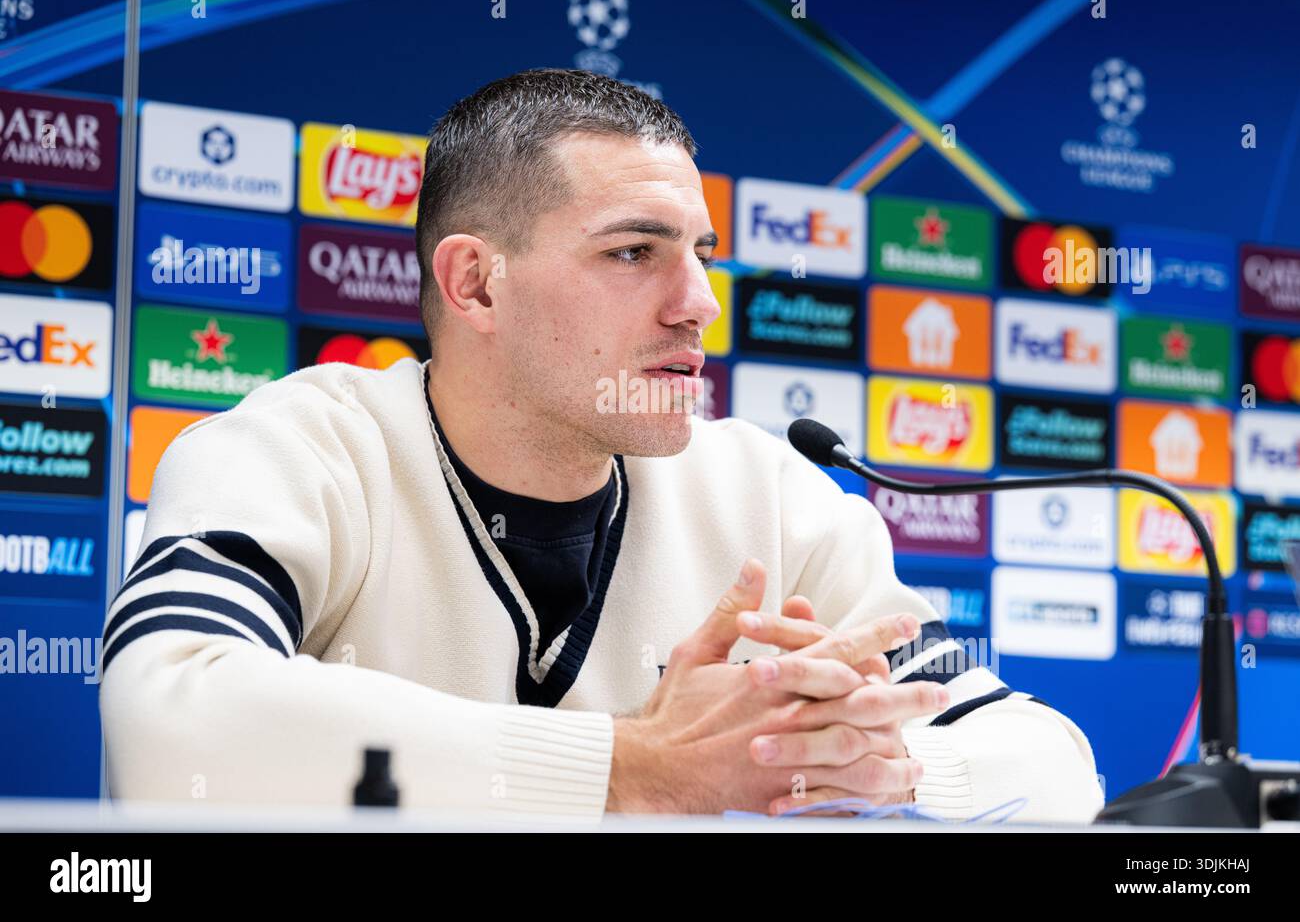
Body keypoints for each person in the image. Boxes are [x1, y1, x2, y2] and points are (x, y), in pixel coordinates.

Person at [100, 68, 1103, 823]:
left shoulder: (772, 500)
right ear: (476, 284)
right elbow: (166, 722)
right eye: (634, 252)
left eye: (701, 254)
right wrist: (633, 766)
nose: (699, 303)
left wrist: (860, 765)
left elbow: (1055, 766)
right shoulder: (299, 449)